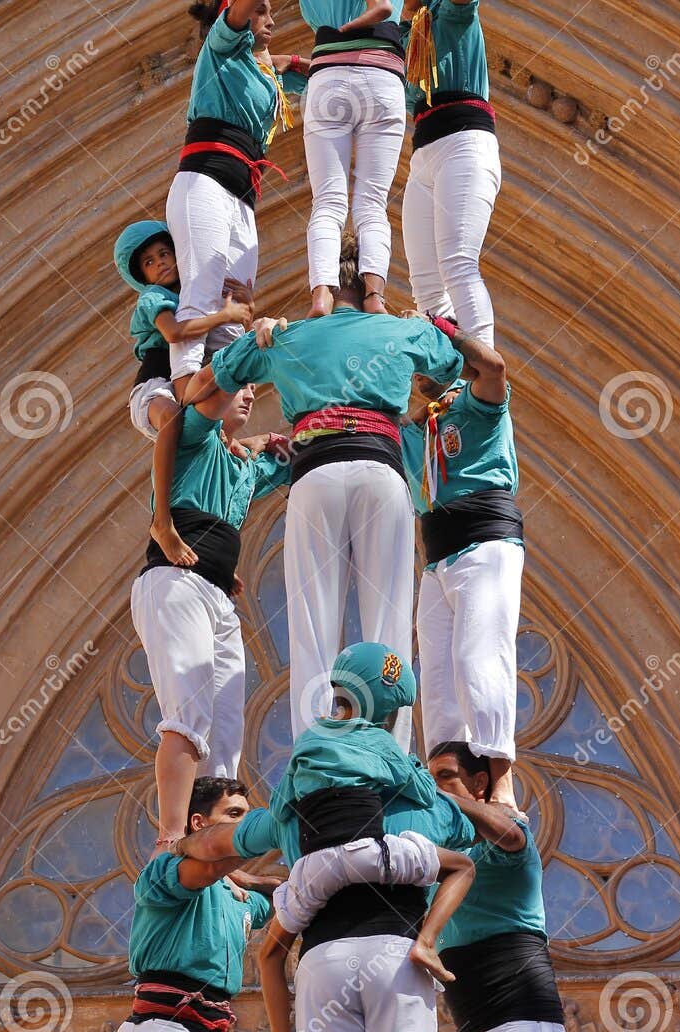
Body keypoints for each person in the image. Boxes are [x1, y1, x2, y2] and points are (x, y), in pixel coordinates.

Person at [211, 235, 506, 751]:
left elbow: (223, 372)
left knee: (311, 625)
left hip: (315, 473)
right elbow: (452, 368)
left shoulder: (292, 336)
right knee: (389, 616)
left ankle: (313, 760)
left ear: (320, 280)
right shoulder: (398, 328)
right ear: (373, 278)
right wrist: (423, 325)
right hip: (380, 469)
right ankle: (390, 754)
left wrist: (261, 329)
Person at [171, 647, 526, 1032]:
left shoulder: (296, 806)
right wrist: (455, 796)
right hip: (397, 957)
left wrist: (176, 841)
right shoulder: (428, 805)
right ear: (390, 713)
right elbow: (510, 832)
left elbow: (214, 844)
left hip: (323, 961)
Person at [129, 375, 290, 851]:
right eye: (241, 387)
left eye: (254, 389)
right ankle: (172, 835)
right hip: (175, 585)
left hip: (216, 595)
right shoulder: (196, 439)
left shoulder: (242, 466)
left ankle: (217, 848)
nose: (250, 394)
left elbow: (299, 457)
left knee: (224, 738)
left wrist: (284, 440)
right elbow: (198, 402)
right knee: (189, 712)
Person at [401, 340, 521, 805]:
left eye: (425, 359)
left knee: (479, 658)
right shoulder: (416, 431)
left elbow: (494, 366)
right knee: (435, 680)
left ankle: (502, 779)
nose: (418, 373)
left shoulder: (477, 406)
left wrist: (441, 328)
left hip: (486, 542)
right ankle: (447, 786)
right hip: (438, 558)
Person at [166, 0, 290, 404]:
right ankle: (186, 382)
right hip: (206, 183)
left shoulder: (261, 75)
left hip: (242, 199)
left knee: (237, 304)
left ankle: (220, 401)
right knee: (203, 288)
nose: (271, 20)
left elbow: (280, 74)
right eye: (262, 11)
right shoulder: (220, 48)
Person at [114, 219, 253, 565]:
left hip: (177, 386)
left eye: (164, 253)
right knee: (174, 419)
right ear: (142, 276)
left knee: (208, 431)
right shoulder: (154, 297)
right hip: (152, 388)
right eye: (149, 261)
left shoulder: (189, 295)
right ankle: (161, 522)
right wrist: (223, 315)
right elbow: (175, 333)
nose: (160, 263)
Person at [116, 777, 275, 1032]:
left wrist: (251, 879)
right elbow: (210, 864)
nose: (242, 825)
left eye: (247, 817)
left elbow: (289, 893)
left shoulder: (237, 896)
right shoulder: (162, 871)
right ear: (199, 823)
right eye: (234, 815)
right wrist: (276, 827)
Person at [430, 742, 564, 1032]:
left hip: (521, 1020)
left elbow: (509, 833)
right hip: (469, 1031)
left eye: (446, 777)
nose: (435, 788)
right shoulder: (439, 859)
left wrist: (438, 798)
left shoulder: (508, 843)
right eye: (430, 780)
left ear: (479, 783)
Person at [296, 0, 408, 316]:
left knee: (327, 202)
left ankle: (322, 295)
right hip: (382, 75)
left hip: (328, 77)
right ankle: (374, 297)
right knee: (372, 203)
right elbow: (384, 8)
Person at [400, 0, 500, 345]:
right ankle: (448, 382)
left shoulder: (449, 12)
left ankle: (486, 369)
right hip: (425, 154)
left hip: (464, 143)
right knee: (425, 286)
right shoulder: (401, 34)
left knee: (458, 263)